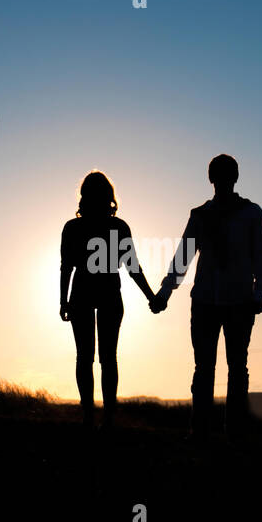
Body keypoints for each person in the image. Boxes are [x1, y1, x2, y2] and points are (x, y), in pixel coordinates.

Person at [151, 154, 262, 438]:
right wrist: (166, 291)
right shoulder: (200, 215)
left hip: (239, 301)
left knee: (236, 368)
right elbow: (184, 258)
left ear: (232, 178)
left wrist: (259, 293)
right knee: (206, 367)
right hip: (206, 300)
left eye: (225, 175)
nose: (222, 181)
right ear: (213, 179)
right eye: (220, 175)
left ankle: (234, 432)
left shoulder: (251, 213)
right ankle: (202, 430)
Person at [60, 170, 158, 429]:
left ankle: (90, 416)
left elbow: (66, 267)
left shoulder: (74, 227)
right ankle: (105, 417)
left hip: (85, 292)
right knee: (107, 357)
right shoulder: (117, 226)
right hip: (105, 293)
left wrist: (63, 300)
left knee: (86, 357)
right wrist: (151, 297)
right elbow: (132, 267)